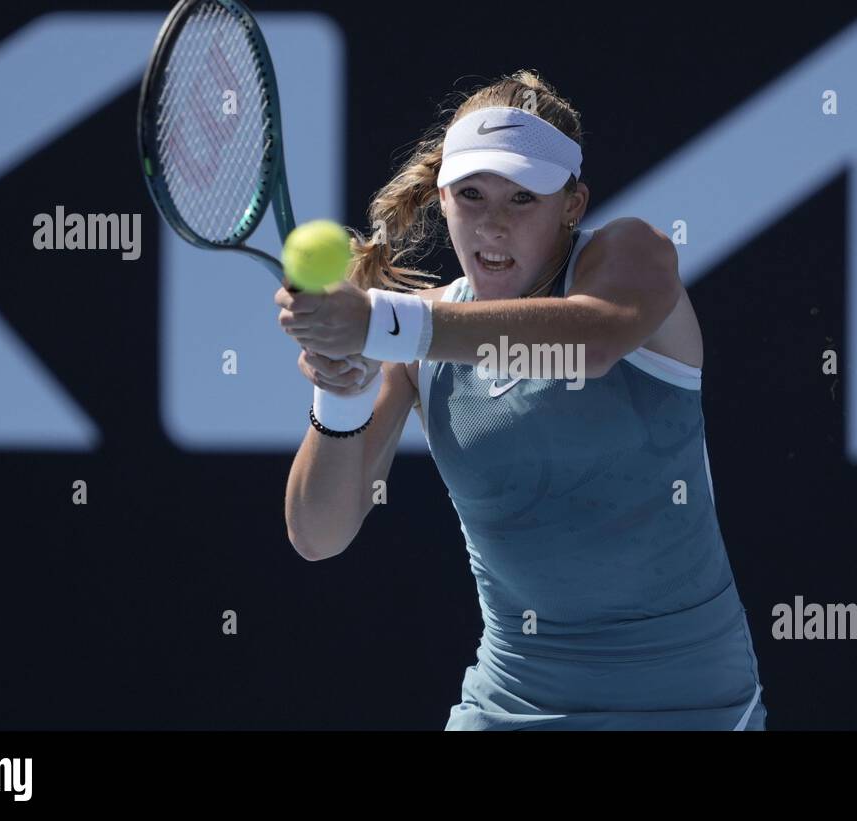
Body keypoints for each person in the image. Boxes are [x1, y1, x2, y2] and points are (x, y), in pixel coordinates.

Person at [277, 70, 767, 730]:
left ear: (573, 203)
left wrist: (379, 326)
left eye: (522, 198)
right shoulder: (412, 333)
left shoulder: (631, 254)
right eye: (471, 195)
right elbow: (318, 534)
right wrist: (340, 390)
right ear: (442, 200)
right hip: (511, 705)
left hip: (693, 707)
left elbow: (589, 343)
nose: (492, 225)